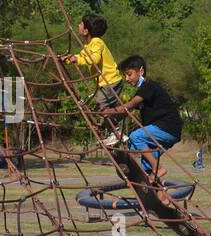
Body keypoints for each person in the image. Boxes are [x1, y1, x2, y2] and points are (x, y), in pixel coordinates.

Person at [100, 56, 183, 206]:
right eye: (125, 75)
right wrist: (103, 124)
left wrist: (111, 110)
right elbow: (125, 113)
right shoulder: (142, 90)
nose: (127, 78)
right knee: (146, 165)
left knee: (136, 137)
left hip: (168, 127)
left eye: (129, 74)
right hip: (164, 131)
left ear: (141, 71)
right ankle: (162, 197)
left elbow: (130, 105)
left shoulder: (148, 86)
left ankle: (160, 169)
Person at [63, 14, 123, 146]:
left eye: (81, 23)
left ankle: (117, 132)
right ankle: (113, 130)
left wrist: (77, 59)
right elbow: (81, 56)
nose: (78, 25)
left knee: (101, 105)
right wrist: (67, 59)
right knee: (104, 108)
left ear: (86, 30)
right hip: (106, 83)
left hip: (110, 81)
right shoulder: (88, 45)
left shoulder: (97, 42)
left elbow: (94, 60)